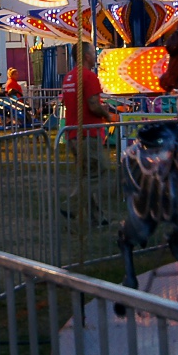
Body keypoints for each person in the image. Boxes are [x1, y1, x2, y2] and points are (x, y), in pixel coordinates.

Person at [61, 42, 116, 224]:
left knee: (86, 175)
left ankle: (97, 217)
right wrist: (107, 114)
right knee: (98, 171)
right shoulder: (89, 76)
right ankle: (71, 205)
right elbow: (93, 105)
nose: (96, 57)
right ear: (86, 56)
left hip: (73, 133)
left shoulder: (69, 77)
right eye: (94, 53)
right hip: (88, 134)